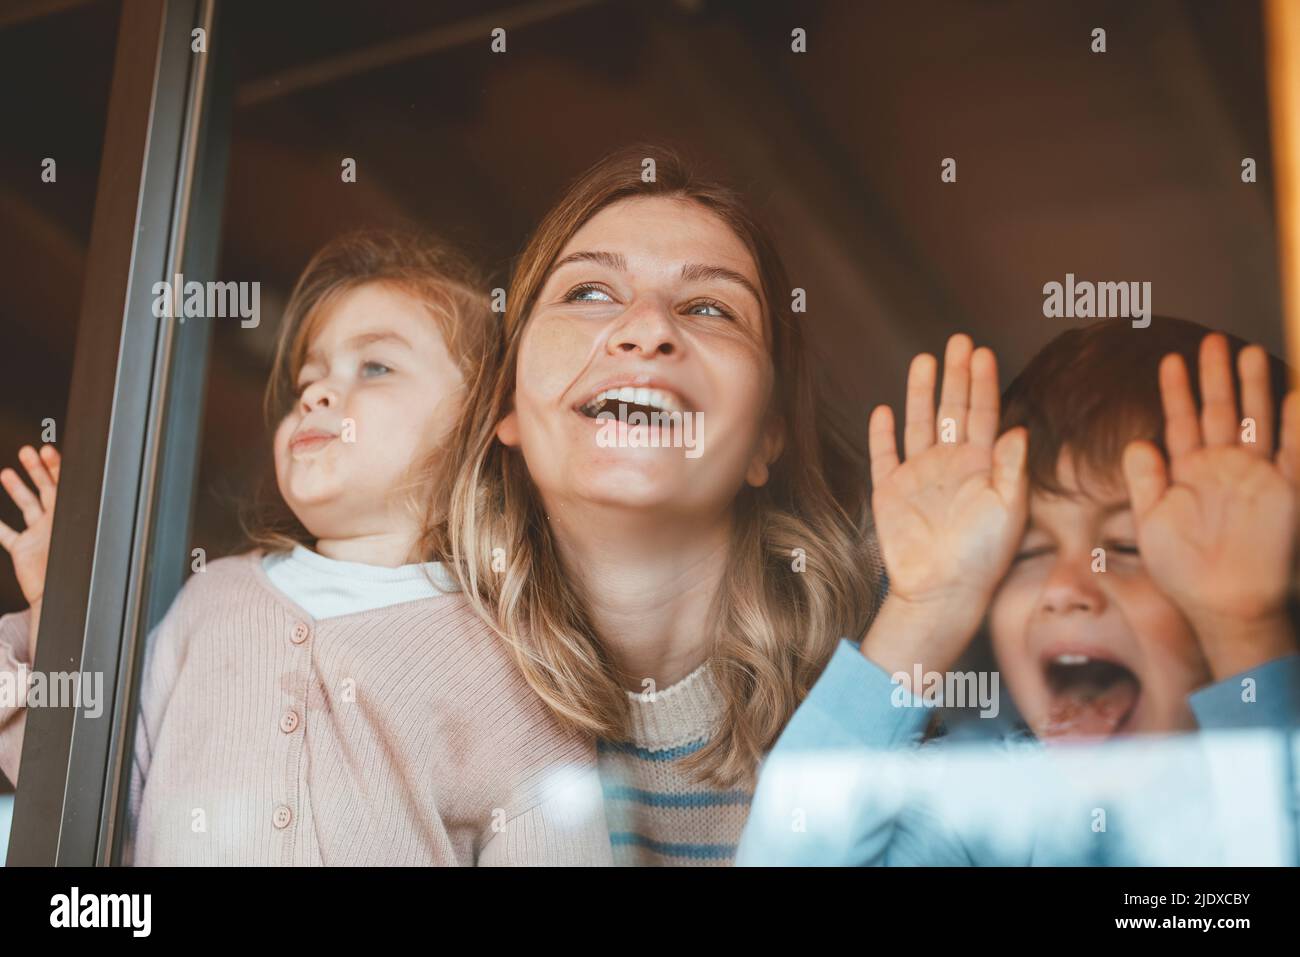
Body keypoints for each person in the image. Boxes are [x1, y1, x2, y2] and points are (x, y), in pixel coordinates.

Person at [0, 230, 611, 865]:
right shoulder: (214, 599)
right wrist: (55, 605)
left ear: (482, 424)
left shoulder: (510, 663)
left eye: (375, 367)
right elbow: (92, 796)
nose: (317, 393)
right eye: (307, 381)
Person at [430, 146, 881, 865]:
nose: (647, 328)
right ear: (506, 405)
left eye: (709, 307)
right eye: (589, 293)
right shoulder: (404, 686)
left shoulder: (882, 704)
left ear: (767, 439)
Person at [736, 318, 1300, 865]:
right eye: (1027, 554)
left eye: (1126, 547)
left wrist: (1244, 628)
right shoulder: (994, 796)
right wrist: (926, 610)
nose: (1063, 589)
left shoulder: (1256, 795)